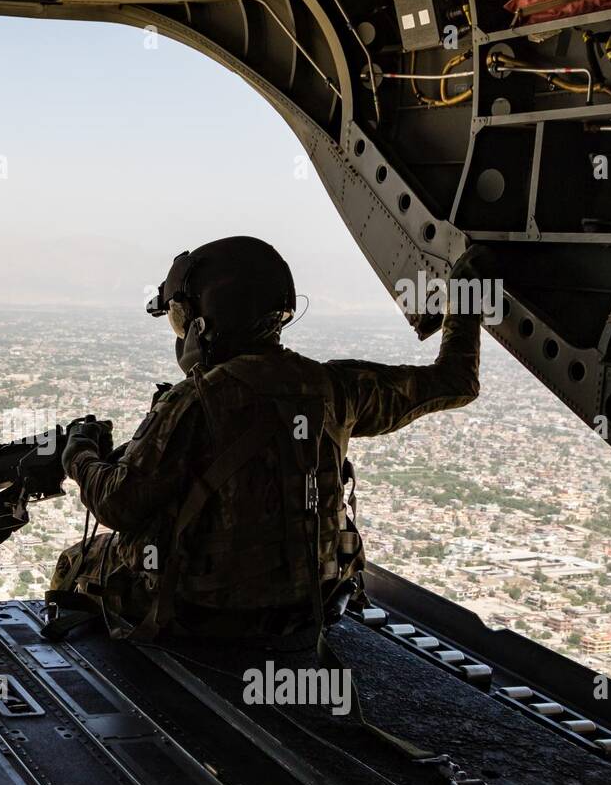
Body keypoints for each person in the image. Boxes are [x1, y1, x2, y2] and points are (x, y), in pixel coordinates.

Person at [47, 235, 484, 647]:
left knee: (76, 563)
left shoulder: (196, 400)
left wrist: (80, 454)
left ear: (204, 320)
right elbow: (455, 380)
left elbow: (118, 504)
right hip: (310, 609)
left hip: (204, 612)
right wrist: (466, 289)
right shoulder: (333, 388)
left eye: (180, 318)